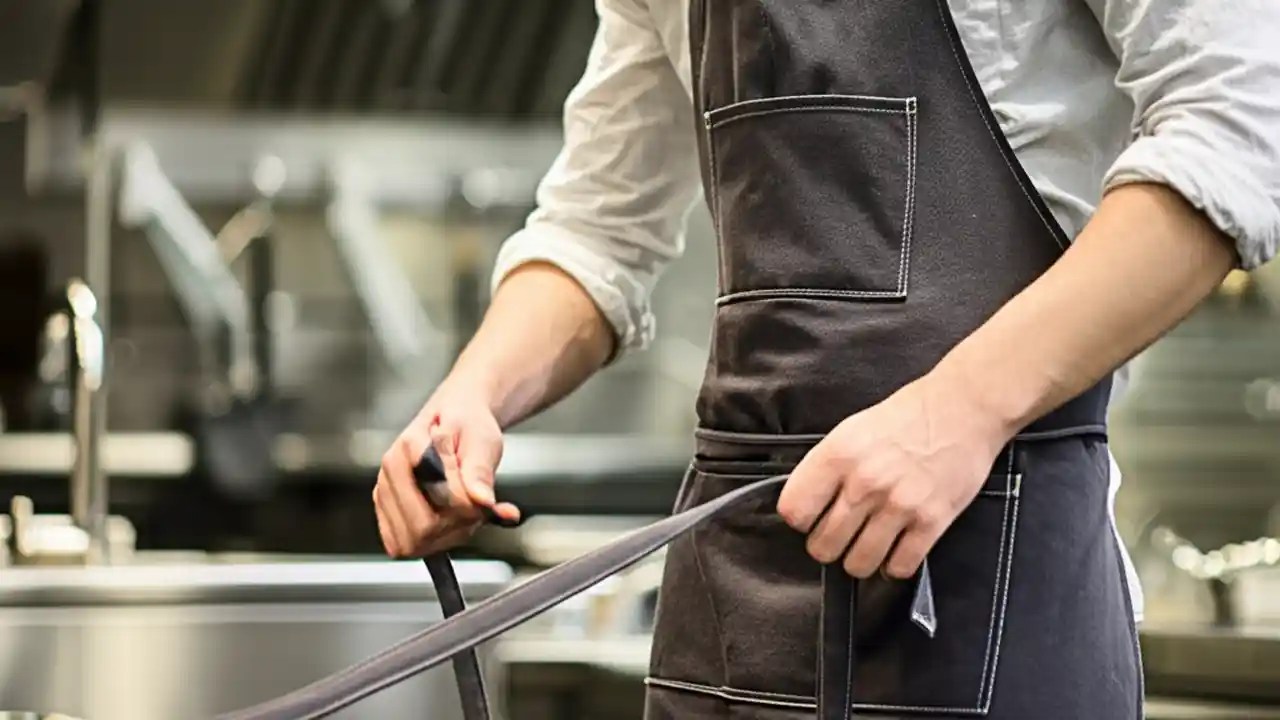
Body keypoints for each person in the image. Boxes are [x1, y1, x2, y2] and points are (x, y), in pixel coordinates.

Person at [373, 1, 1280, 717]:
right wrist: (474, 394)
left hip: (986, 598)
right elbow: (599, 230)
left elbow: (1238, 126)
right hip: (725, 612)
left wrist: (957, 412)